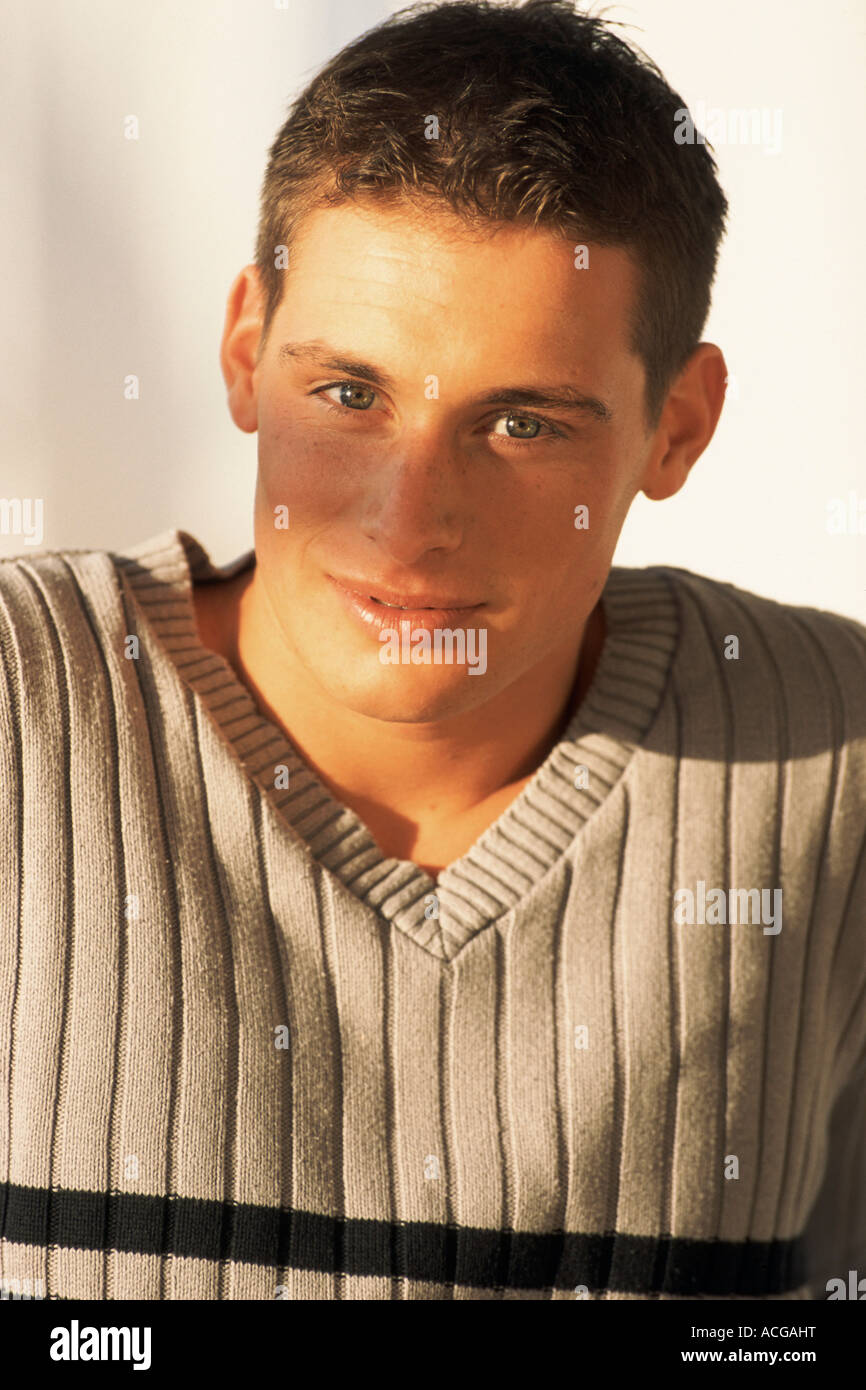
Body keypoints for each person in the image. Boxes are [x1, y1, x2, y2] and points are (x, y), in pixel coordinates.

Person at [1, 0, 863, 1301]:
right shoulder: (23, 716)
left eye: (519, 424)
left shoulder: (832, 767)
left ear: (676, 428)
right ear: (245, 350)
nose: (407, 526)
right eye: (346, 395)